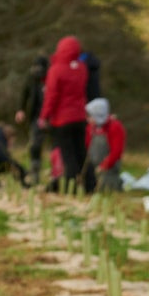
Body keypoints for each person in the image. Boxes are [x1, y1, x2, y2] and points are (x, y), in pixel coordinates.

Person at [38, 35, 88, 193]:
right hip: (80, 117)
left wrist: (44, 116)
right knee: (81, 152)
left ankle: (72, 187)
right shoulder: (82, 68)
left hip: (63, 119)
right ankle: (89, 184)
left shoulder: (56, 70)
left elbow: (51, 96)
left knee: (68, 154)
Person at [14, 53, 49, 185]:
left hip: (51, 117)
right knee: (34, 145)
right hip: (35, 116)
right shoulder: (31, 79)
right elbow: (24, 93)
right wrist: (20, 109)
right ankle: (35, 173)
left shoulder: (52, 78)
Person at [83, 97, 125, 193]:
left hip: (109, 169)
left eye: (90, 116)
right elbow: (87, 146)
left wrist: (104, 166)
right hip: (93, 167)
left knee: (106, 187)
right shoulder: (90, 128)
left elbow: (117, 151)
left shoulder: (114, 127)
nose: (88, 119)